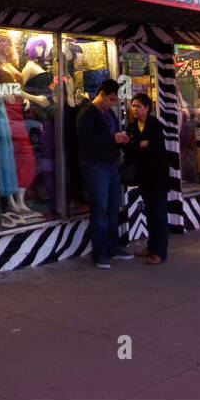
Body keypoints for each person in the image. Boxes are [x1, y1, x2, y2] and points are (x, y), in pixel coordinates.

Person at [76, 78, 132, 269]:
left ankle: (113, 247)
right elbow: (86, 141)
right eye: (110, 99)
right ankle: (100, 253)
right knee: (100, 210)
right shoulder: (86, 114)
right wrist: (112, 139)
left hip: (110, 165)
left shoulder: (109, 114)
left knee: (112, 208)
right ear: (101, 95)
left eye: (114, 100)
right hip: (95, 166)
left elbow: (110, 135)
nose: (112, 103)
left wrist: (119, 139)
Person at [124, 93, 167, 264]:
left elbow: (153, 149)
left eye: (138, 106)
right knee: (150, 212)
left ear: (147, 107)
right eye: (133, 106)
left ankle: (160, 252)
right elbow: (128, 148)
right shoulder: (133, 126)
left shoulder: (154, 125)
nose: (135, 109)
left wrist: (137, 146)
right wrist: (138, 145)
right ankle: (151, 247)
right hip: (143, 176)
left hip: (157, 175)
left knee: (159, 214)